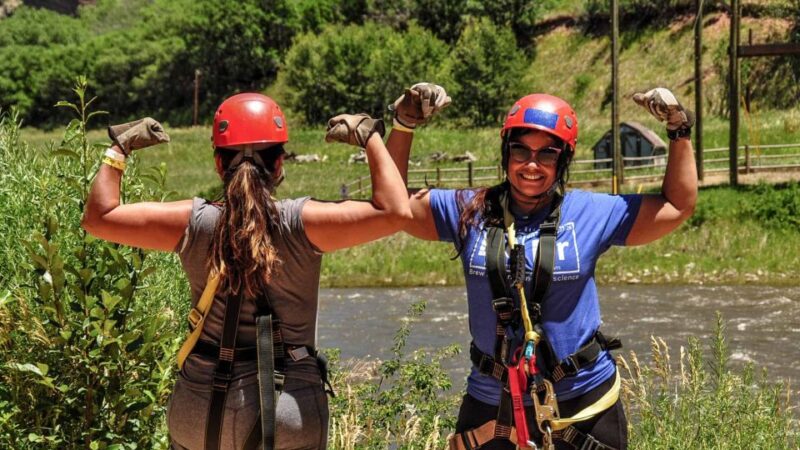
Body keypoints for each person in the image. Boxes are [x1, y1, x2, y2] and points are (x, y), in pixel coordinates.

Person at [82, 93, 412, 449]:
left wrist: (120, 148)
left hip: (200, 406)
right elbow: (396, 211)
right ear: (280, 164)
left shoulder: (194, 222)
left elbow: (99, 217)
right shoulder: (300, 223)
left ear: (219, 166)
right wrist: (370, 135)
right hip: (287, 409)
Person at [386, 85, 697, 450]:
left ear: (563, 160)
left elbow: (678, 205)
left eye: (546, 155)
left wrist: (678, 129)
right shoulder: (467, 209)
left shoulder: (590, 213)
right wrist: (404, 123)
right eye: (521, 150)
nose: (531, 165)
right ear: (506, 152)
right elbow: (392, 206)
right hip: (492, 405)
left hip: (584, 404)